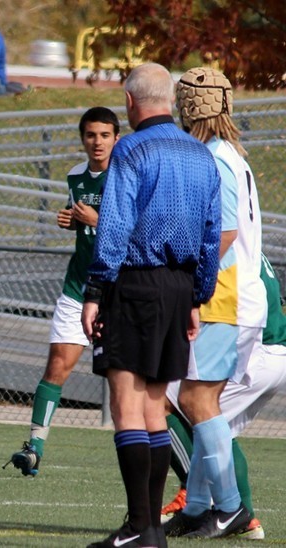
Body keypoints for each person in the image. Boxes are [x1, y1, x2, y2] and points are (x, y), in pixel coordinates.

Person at [80, 62, 222, 548]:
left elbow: (116, 224)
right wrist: (197, 297)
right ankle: (151, 533)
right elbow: (210, 235)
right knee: (155, 407)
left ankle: (138, 527)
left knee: (127, 402)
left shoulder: (132, 149)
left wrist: (95, 291)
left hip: (136, 283)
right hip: (180, 286)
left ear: (130, 102)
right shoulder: (202, 156)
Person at [163, 66, 264, 539]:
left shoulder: (215, 159)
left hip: (224, 296)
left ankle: (230, 506)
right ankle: (201, 504)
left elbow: (222, 233)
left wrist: (191, 283)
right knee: (202, 403)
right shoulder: (226, 154)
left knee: (193, 399)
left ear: (191, 107)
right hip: (232, 295)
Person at [5, 107, 120, 477]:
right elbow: (86, 228)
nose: (97, 142)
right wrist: (71, 221)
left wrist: (95, 221)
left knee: (131, 383)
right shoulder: (75, 175)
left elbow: (133, 233)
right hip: (79, 286)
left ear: (117, 137)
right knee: (56, 366)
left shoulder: (126, 175)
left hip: (120, 290)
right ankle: (34, 447)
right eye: (90, 135)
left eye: (104, 135)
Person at [160, 254, 286, 541]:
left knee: (162, 400)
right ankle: (239, 518)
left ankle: (210, 505)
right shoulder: (249, 246)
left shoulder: (223, 242)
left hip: (259, 353)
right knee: (218, 428)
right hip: (272, 351)